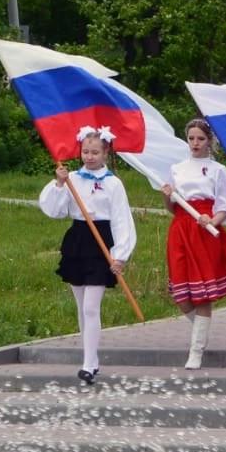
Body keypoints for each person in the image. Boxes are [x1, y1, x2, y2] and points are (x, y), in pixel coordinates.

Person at [38, 127, 136, 385]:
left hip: (101, 242)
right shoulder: (72, 178)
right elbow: (55, 210)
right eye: (85, 152)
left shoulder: (113, 183)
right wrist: (59, 184)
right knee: (82, 308)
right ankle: (89, 358)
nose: (89, 157)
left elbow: (122, 220)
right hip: (78, 240)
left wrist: (120, 255)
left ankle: (89, 363)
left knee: (92, 306)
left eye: (95, 152)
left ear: (105, 153)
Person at [161, 118, 226, 370]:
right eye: (191, 138)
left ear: (209, 141)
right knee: (182, 296)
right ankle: (201, 334)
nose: (195, 143)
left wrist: (212, 220)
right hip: (181, 229)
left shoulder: (217, 170)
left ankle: (196, 350)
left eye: (200, 139)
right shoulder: (176, 168)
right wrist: (167, 197)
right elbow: (173, 208)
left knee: (202, 294)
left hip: (205, 229)